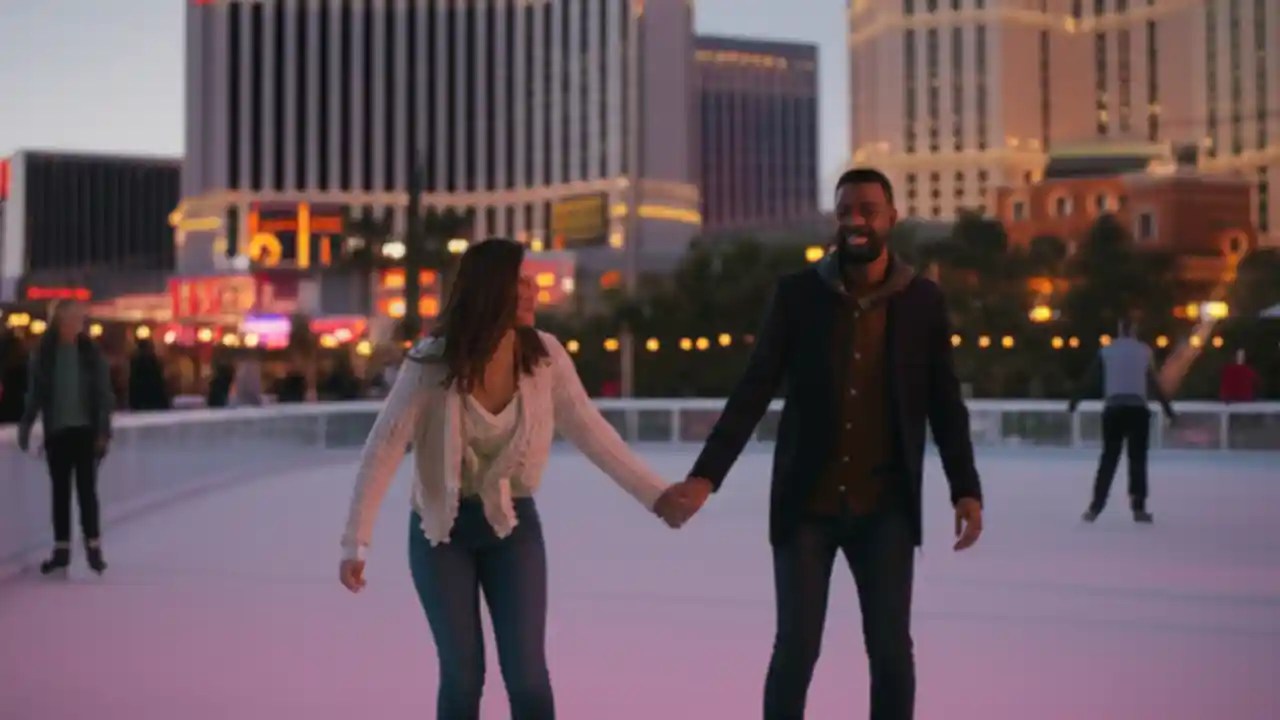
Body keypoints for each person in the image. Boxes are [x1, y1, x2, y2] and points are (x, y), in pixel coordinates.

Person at [663, 168, 985, 720]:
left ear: (890, 218)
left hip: (886, 509)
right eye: (845, 212)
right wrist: (705, 476)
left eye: (866, 210)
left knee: (890, 653)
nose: (855, 221)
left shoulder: (922, 301)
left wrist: (965, 489)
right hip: (805, 506)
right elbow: (754, 390)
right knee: (796, 650)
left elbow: (944, 402)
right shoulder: (797, 295)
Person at [337, 238, 691, 720]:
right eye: (522, 281)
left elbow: (591, 432)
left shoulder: (544, 357)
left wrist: (657, 495)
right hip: (441, 531)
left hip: (512, 527)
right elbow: (384, 446)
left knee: (527, 680)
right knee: (463, 679)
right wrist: (356, 542)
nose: (534, 291)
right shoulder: (431, 362)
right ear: (492, 289)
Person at [17, 300, 114, 575]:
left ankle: (93, 548)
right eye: (71, 319)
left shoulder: (90, 353)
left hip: (85, 430)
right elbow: (35, 394)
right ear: (59, 322)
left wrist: (103, 431)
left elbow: (103, 395)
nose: (76, 324)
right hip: (57, 431)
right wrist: (26, 425)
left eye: (78, 319)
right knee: (60, 493)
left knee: (86, 491)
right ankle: (61, 550)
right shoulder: (46, 354)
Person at [1068, 320, 1175, 524]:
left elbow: (1091, 378)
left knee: (1108, 459)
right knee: (1137, 460)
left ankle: (1095, 507)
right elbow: (1152, 381)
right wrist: (1167, 408)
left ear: (1118, 330)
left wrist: (1075, 400)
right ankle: (1139, 507)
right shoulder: (1144, 351)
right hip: (1137, 410)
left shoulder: (1107, 351)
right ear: (1134, 331)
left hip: (1114, 409)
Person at [128, 338, 171, 411]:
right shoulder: (151, 361)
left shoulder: (136, 360)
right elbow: (158, 380)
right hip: (151, 398)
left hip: (142, 398)